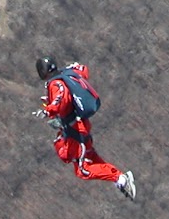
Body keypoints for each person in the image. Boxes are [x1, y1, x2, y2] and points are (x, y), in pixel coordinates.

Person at [36, 56, 136, 200]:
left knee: (82, 170)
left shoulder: (56, 84)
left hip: (75, 128)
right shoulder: (66, 74)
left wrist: (49, 110)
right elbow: (83, 70)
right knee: (88, 156)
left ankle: (120, 178)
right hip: (79, 125)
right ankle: (119, 179)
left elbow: (61, 99)